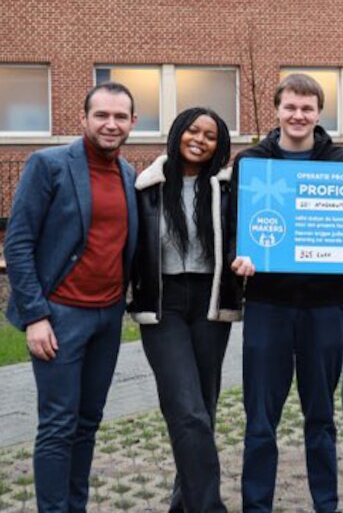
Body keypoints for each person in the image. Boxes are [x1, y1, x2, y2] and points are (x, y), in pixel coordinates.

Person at [3, 82, 139, 513]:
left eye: (120, 117)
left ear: (133, 123)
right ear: (83, 119)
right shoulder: (49, 164)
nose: (111, 124)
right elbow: (18, 242)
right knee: (59, 425)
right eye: (102, 115)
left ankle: (74, 506)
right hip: (60, 317)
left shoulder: (130, 174)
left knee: (87, 423)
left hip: (108, 316)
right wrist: (35, 316)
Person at [229, 73, 343, 513]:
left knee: (320, 417)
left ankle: (326, 505)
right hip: (269, 306)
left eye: (307, 108)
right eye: (290, 107)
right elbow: (233, 229)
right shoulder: (251, 163)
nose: (298, 115)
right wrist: (238, 257)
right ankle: (256, 506)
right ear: (277, 109)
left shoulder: (342, 161)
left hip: (325, 307)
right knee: (261, 420)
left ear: (319, 113)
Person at [130, 107, 240, 512]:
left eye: (211, 135)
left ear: (220, 144)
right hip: (165, 303)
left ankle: (184, 504)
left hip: (211, 302)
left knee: (202, 411)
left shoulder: (228, 188)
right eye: (193, 130)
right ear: (177, 133)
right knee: (186, 408)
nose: (200, 139)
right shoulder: (148, 185)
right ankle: (209, 507)